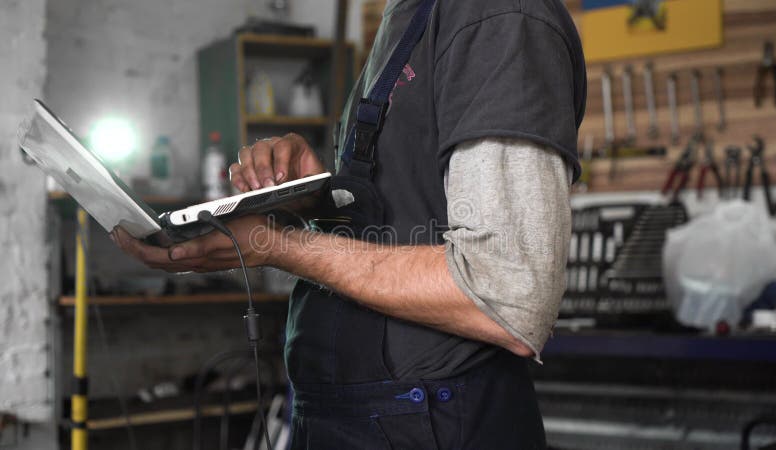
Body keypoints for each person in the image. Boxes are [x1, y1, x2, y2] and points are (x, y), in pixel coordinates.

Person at [113, 0, 586, 447]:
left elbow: (506, 292)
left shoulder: (498, 18)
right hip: (355, 413)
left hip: (431, 422)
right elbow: (407, 217)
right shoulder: (408, 16)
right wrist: (318, 196)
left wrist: (274, 245)